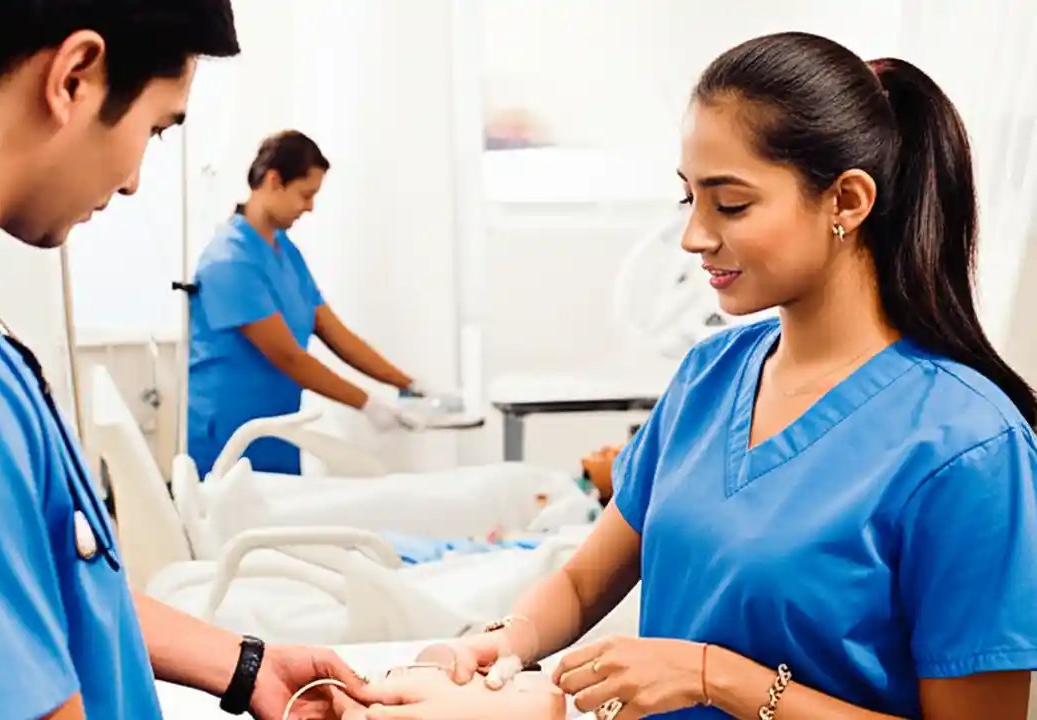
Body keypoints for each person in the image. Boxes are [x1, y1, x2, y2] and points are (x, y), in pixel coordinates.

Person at [366, 32, 1037, 719]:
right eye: (687, 197)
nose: (693, 235)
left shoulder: (969, 446)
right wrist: (503, 643)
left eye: (731, 204)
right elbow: (579, 583)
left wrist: (721, 679)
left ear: (847, 202)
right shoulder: (709, 377)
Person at [0, 3, 384, 719]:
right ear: (75, 77)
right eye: (153, 128)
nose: (133, 183)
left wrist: (244, 665)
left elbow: (12, 581)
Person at [188, 130, 425, 477]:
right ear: (273, 180)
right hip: (229, 432)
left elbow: (332, 330)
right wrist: (368, 404)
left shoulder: (283, 250)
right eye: (306, 194)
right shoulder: (229, 260)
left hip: (275, 428)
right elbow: (289, 357)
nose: (310, 207)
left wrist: (406, 383)